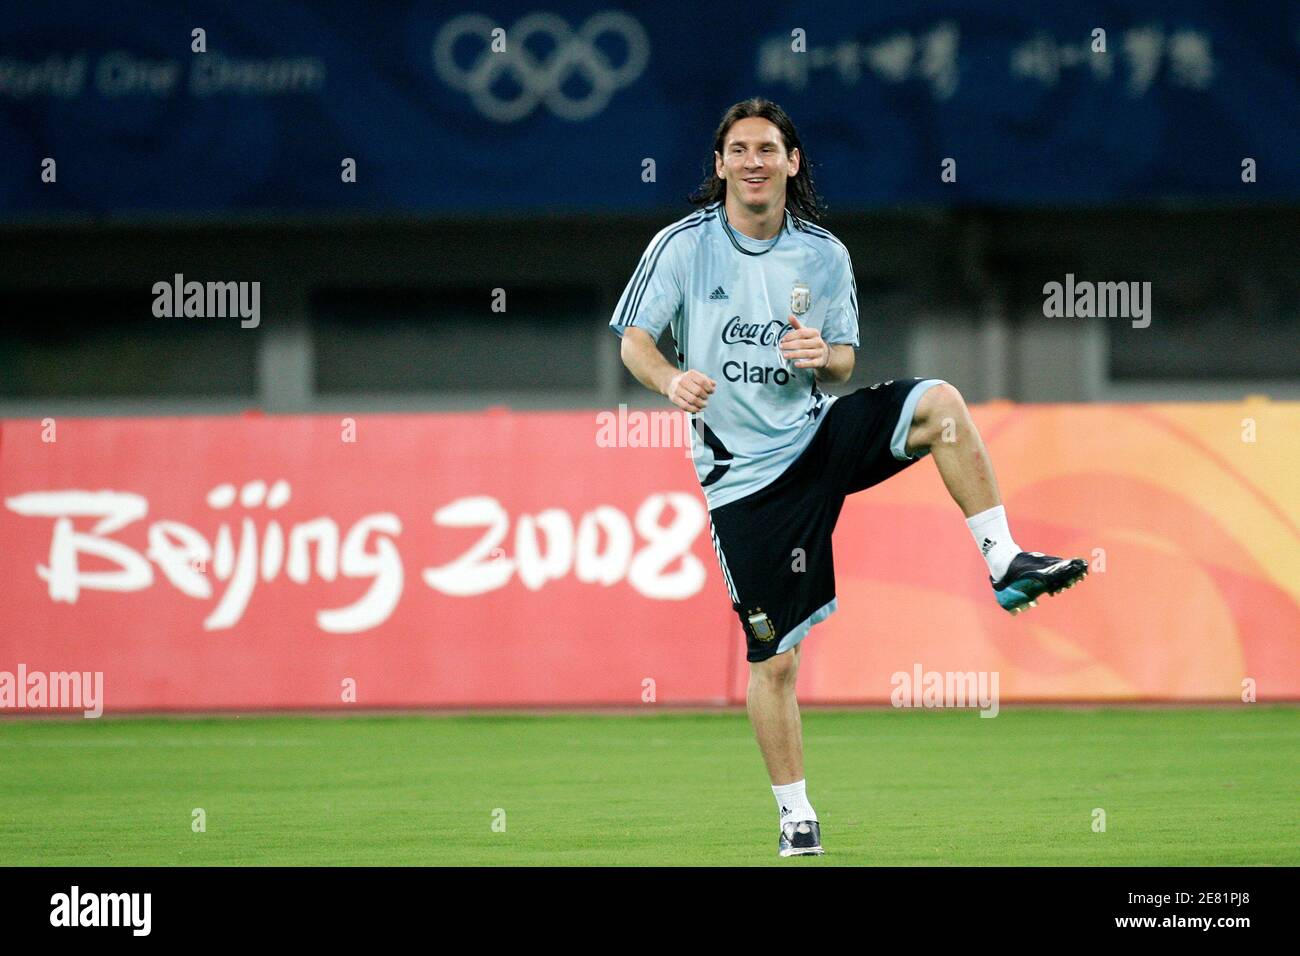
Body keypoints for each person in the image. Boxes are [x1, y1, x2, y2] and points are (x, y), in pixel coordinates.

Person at [609, 97, 1088, 857]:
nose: (753, 162)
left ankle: (1005, 559)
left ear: (792, 162)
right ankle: (796, 814)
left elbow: (845, 359)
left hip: (815, 436)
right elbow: (634, 339)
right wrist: (670, 381)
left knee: (940, 405)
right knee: (776, 660)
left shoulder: (824, 255)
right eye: (739, 150)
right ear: (721, 166)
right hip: (745, 482)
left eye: (768, 148)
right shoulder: (683, 247)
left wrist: (819, 357)